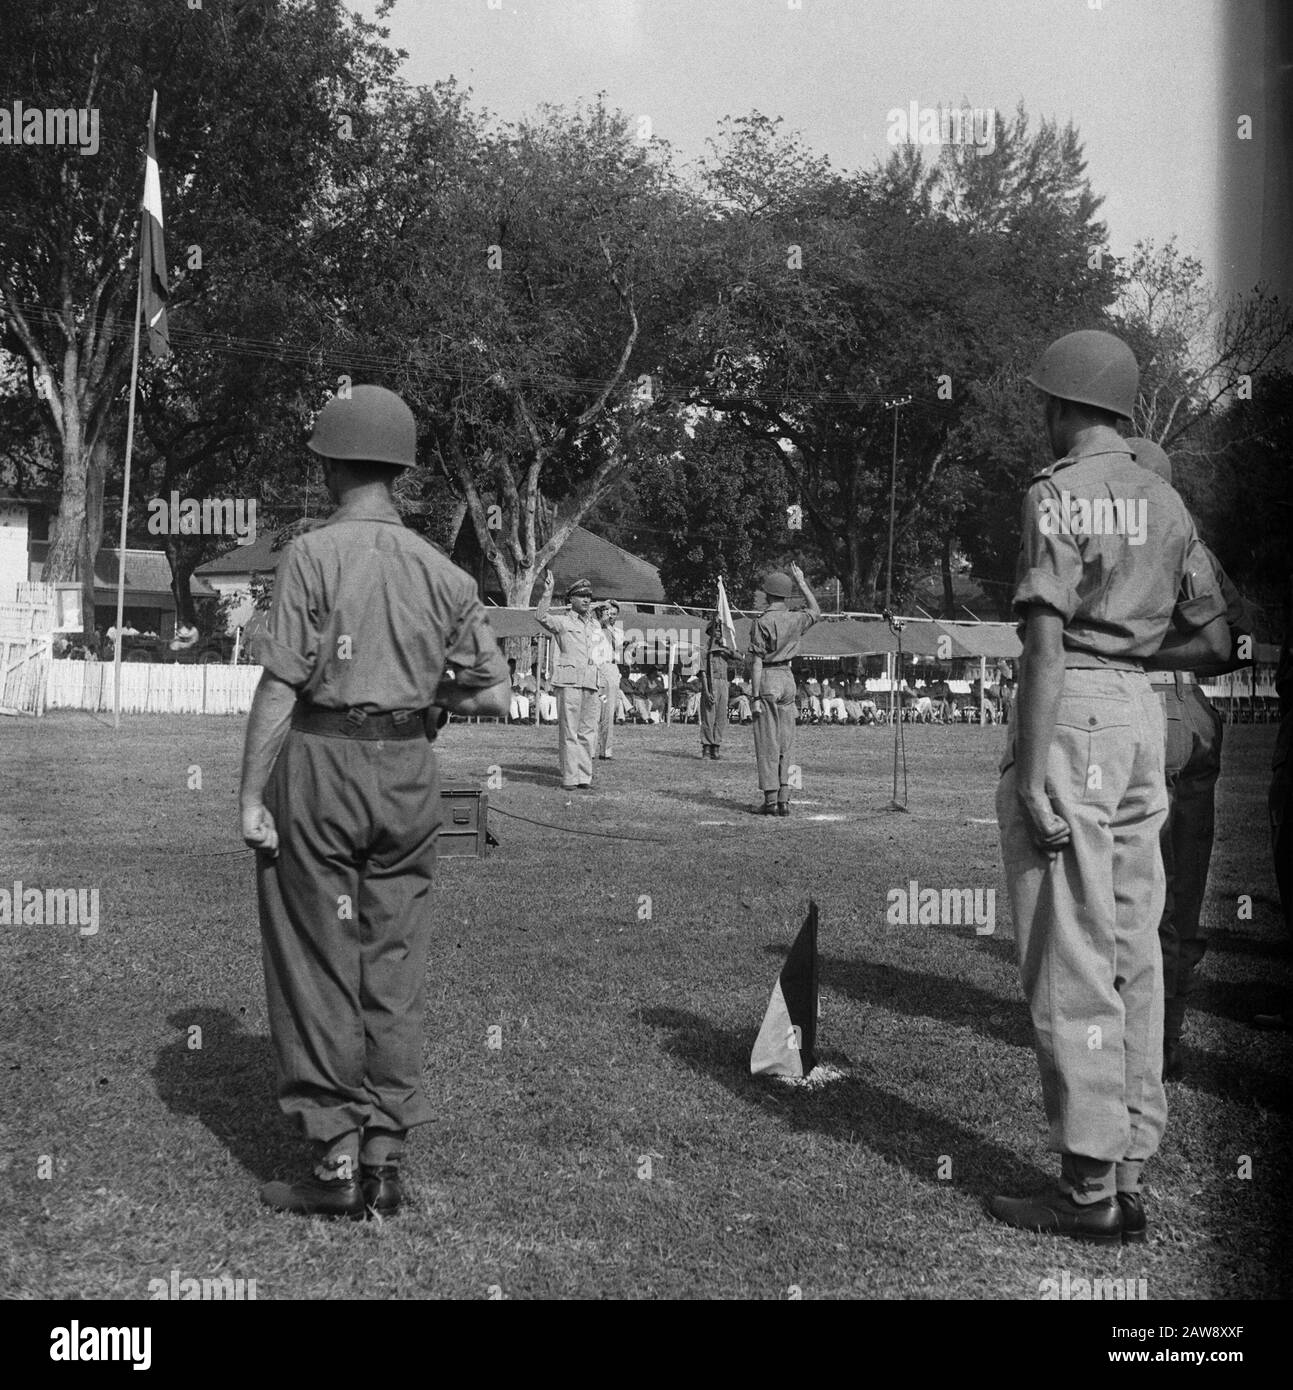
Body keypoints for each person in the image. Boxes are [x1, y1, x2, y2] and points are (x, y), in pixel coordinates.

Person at [239, 384, 510, 1220]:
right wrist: (428, 706)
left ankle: (334, 1162)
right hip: (407, 770)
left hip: (322, 760)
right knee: (392, 962)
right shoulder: (443, 569)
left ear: (329, 463)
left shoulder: (312, 556)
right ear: (400, 467)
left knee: (319, 956)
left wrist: (251, 794)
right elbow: (494, 694)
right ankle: (387, 1157)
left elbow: (281, 687)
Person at [991, 330, 1229, 1246]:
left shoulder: (1056, 493)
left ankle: (1086, 1191)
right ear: (1125, 410)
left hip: (1075, 713)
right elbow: (1212, 639)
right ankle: (1126, 1168)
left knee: (1070, 953)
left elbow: (1044, 643)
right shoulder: (1166, 501)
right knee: (1134, 945)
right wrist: (1130, 652)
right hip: (1142, 719)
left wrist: (1032, 775)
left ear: (1059, 405)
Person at [1129, 437, 1254, 1078]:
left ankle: (1139, 1042)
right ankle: (1162, 1042)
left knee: (1136, 898)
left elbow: (1228, 644)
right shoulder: (1192, 542)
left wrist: (1134, 653)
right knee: (1176, 900)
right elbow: (1239, 640)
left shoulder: (1110, 539)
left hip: (1145, 713)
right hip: (1186, 716)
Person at [748, 564, 822, 816]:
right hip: (788, 679)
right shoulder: (795, 618)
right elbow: (816, 610)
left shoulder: (761, 622)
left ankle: (770, 802)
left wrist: (755, 696)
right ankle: (785, 800)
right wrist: (802, 582)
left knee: (767, 742)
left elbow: (757, 661)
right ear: (787, 595)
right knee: (787, 743)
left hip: (768, 678)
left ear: (767, 595)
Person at [536, 574, 602, 789]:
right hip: (569, 682)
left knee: (588, 732)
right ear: (570, 600)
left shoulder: (595, 626)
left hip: (590, 682)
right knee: (569, 731)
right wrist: (548, 592)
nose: (586, 600)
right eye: (581, 596)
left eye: (589, 596)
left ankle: (584, 777)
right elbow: (541, 616)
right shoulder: (562, 622)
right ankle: (570, 777)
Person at [700, 617, 737, 758]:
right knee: (709, 716)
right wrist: (707, 690)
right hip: (711, 682)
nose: (718, 632)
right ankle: (707, 747)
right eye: (716, 629)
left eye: (720, 630)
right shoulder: (705, 650)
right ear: (710, 632)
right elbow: (702, 672)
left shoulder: (724, 650)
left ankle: (716, 746)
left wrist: (726, 650)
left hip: (724, 683)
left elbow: (739, 656)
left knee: (721, 716)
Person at [590, 599, 622, 760]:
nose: (610, 616)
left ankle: (606, 750)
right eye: (608, 613)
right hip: (595, 670)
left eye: (614, 614)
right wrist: (603, 604)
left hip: (610, 670)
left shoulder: (617, 632)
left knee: (608, 713)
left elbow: (619, 649)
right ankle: (590, 749)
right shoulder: (594, 627)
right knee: (594, 711)